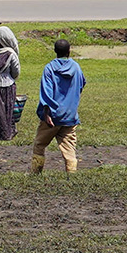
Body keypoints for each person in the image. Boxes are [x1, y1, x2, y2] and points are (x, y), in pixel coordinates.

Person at [31, 38, 84, 174]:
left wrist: (47, 113)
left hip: (52, 118)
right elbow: (81, 84)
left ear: (55, 51)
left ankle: (36, 173)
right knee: (70, 150)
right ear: (69, 51)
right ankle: (72, 174)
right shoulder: (76, 67)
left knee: (39, 144)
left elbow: (47, 93)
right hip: (70, 116)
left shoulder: (49, 69)